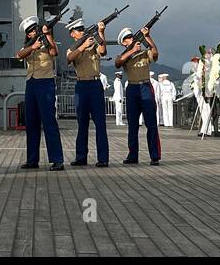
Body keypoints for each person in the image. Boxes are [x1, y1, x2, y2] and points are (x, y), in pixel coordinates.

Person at [15, 15, 64, 171]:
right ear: (27, 34)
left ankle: (57, 159)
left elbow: (54, 52)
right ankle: (32, 160)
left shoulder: (47, 41)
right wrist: (33, 47)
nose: (32, 33)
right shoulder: (29, 45)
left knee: (49, 121)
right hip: (31, 83)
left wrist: (48, 35)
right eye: (29, 32)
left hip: (45, 82)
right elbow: (19, 55)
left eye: (34, 29)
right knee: (31, 122)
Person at [65, 19, 109, 167]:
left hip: (95, 84)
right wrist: (83, 46)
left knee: (100, 123)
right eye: (78, 30)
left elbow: (103, 51)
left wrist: (101, 32)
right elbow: (69, 59)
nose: (82, 31)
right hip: (81, 85)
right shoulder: (73, 48)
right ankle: (81, 157)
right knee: (82, 123)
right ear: (72, 34)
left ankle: (103, 158)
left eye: (82, 29)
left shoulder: (94, 45)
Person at [115, 25, 161, 165]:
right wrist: (132, 51)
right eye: (128, 38)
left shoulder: (143, 53)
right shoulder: (124, 55)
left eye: (132, 36)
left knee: (151, 123)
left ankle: (154, 156)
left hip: (145, 86)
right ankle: (132, 155)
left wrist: (147, 37)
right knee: (132, 125)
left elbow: (155, 54)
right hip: (132, 88)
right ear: (124, 42)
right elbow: (118, 62)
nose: (131, 39)